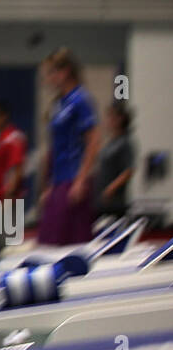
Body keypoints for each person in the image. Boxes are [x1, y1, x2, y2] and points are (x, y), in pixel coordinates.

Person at [36, 47, 100, 245]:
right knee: (49, 241)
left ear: (64, 72)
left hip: (73, 180)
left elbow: (94, 141)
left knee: (71, 244)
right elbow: (54, 146)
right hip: (58, 182)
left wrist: (81, 180)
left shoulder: (81, 100)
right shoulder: (58, 104)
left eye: (50, 73)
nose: (47, 79)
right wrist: (48, 185)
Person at [94, 102, 135, 218]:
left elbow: (129, 170)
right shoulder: (111, 143)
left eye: (111, 117)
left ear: (120, 119)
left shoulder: (125, 143)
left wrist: (111, 189)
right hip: (100, 201)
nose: (108, 120)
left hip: (115, 203)